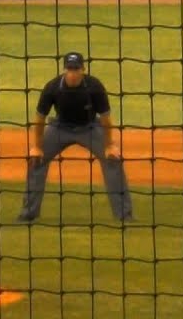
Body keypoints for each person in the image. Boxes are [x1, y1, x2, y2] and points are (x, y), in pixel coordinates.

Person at [16, 51, 135, 224]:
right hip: (60, 127)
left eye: (76, 69)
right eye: (69, 69)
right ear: (65, 70)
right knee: (35, 160)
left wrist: (110, 145)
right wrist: (37, 147)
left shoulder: (94, 86)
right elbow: (40, 119)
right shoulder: (53, 87)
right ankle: (28, 213)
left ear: (83, 69)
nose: (72, 73)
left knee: (113, 159)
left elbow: (106, 119)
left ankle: (125, 215)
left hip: (89, 127)